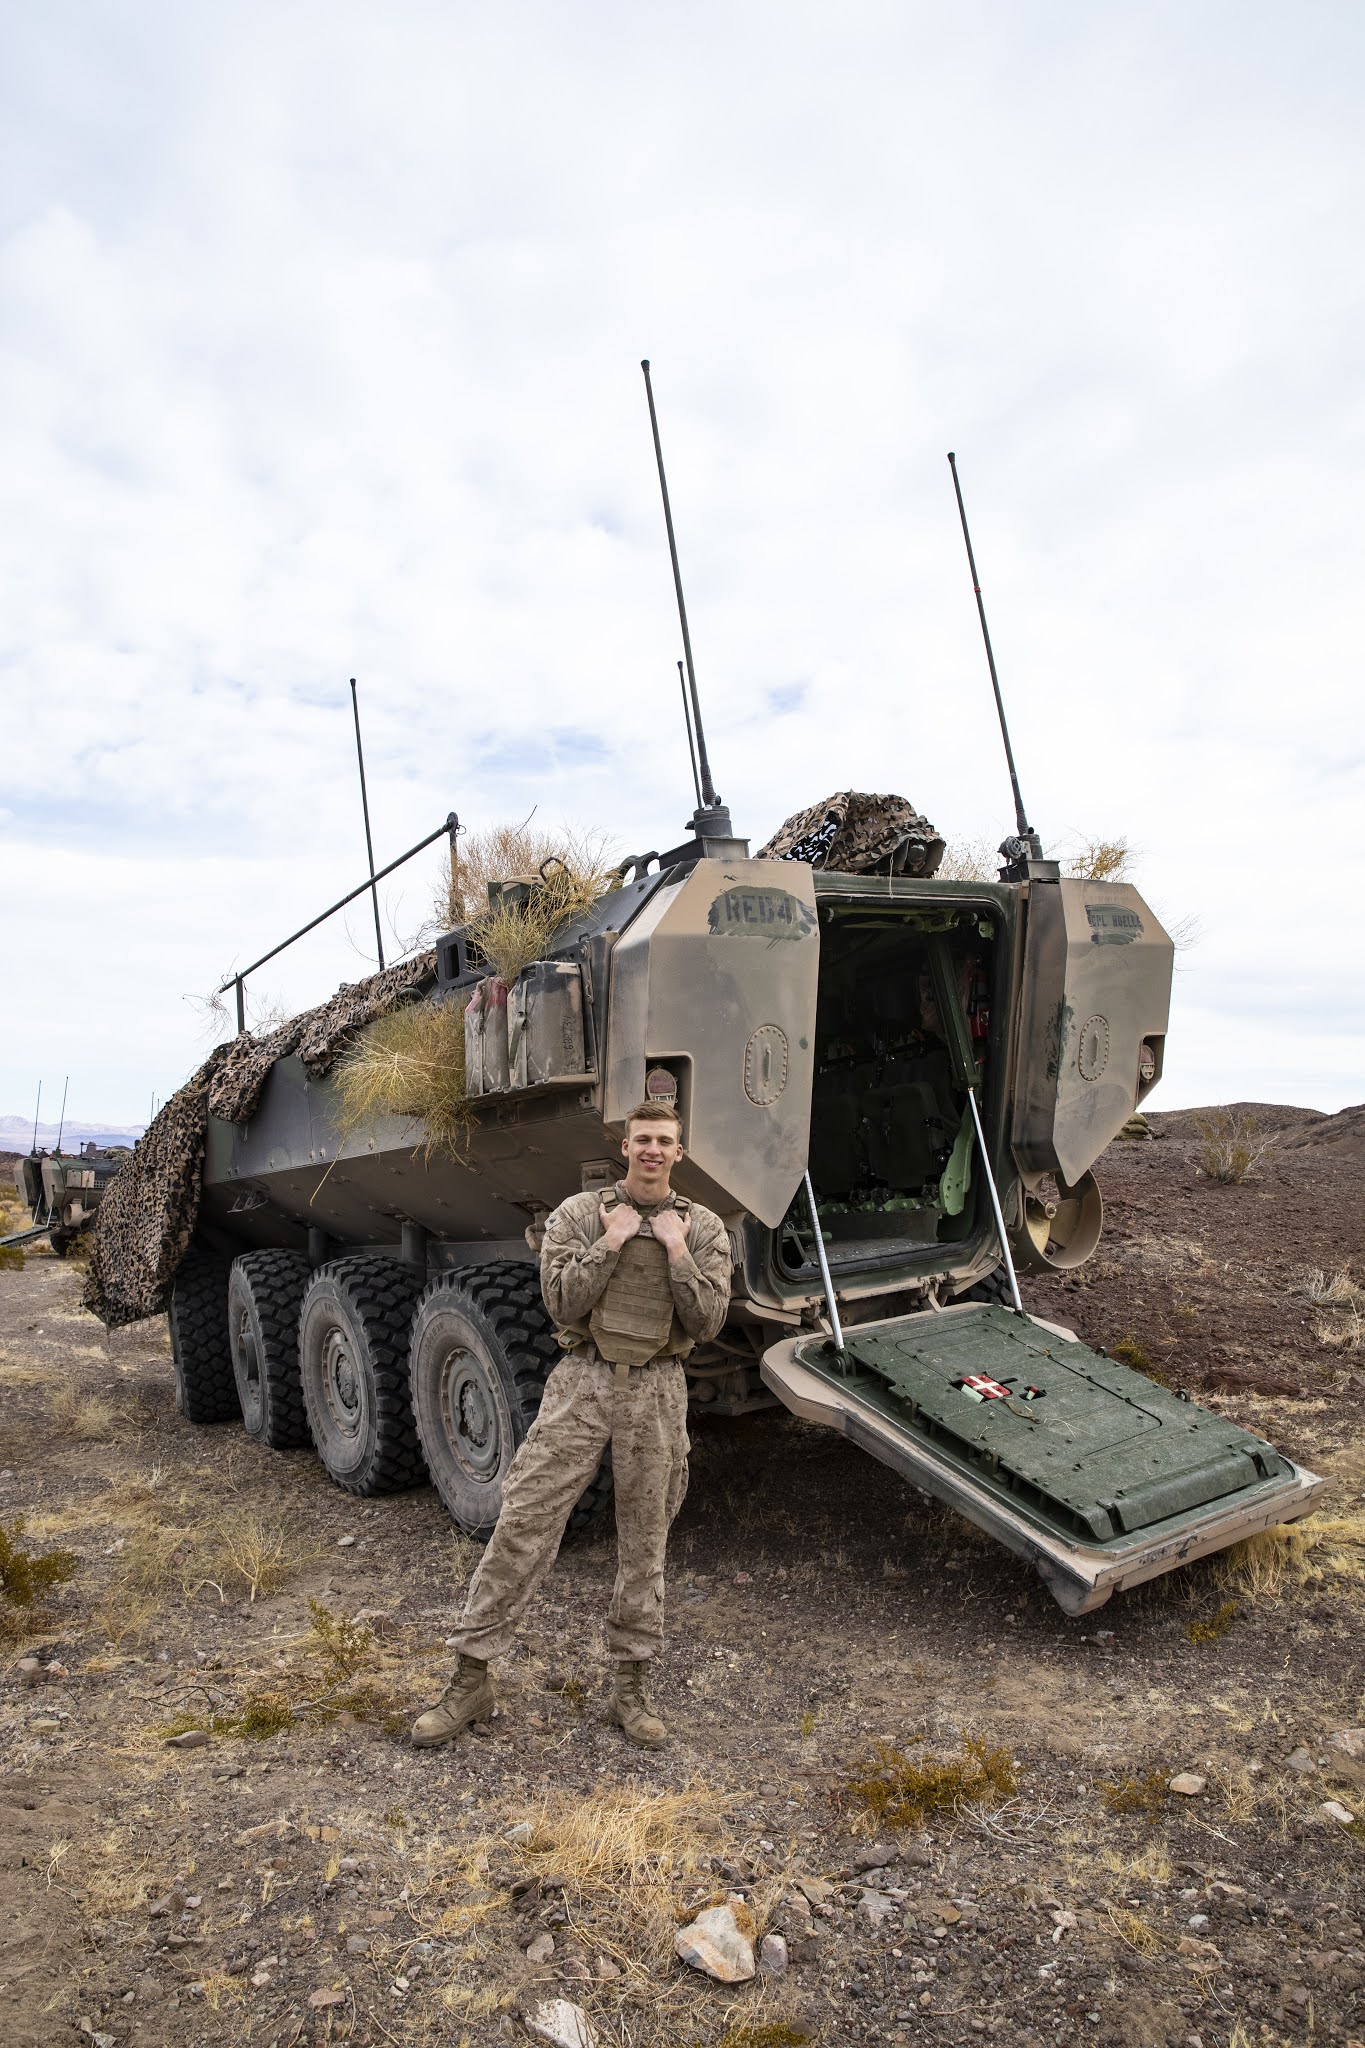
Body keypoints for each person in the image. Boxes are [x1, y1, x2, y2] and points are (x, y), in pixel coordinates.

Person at [411, 1099, 731, 1751]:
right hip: (582, 1381)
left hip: (657, 1388)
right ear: (624, 1147)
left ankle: (629, 1690)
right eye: (641, 1139)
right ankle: (470, 1680)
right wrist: (611, 1242)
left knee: (645, 1539)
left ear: (679, 1152)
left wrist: (676, 1251)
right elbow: (560, 1302)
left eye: (663, 1141)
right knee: (524, 1522)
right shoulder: (580, 1215)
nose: (652, 1150)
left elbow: (708, 1322)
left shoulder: (701, 1228)